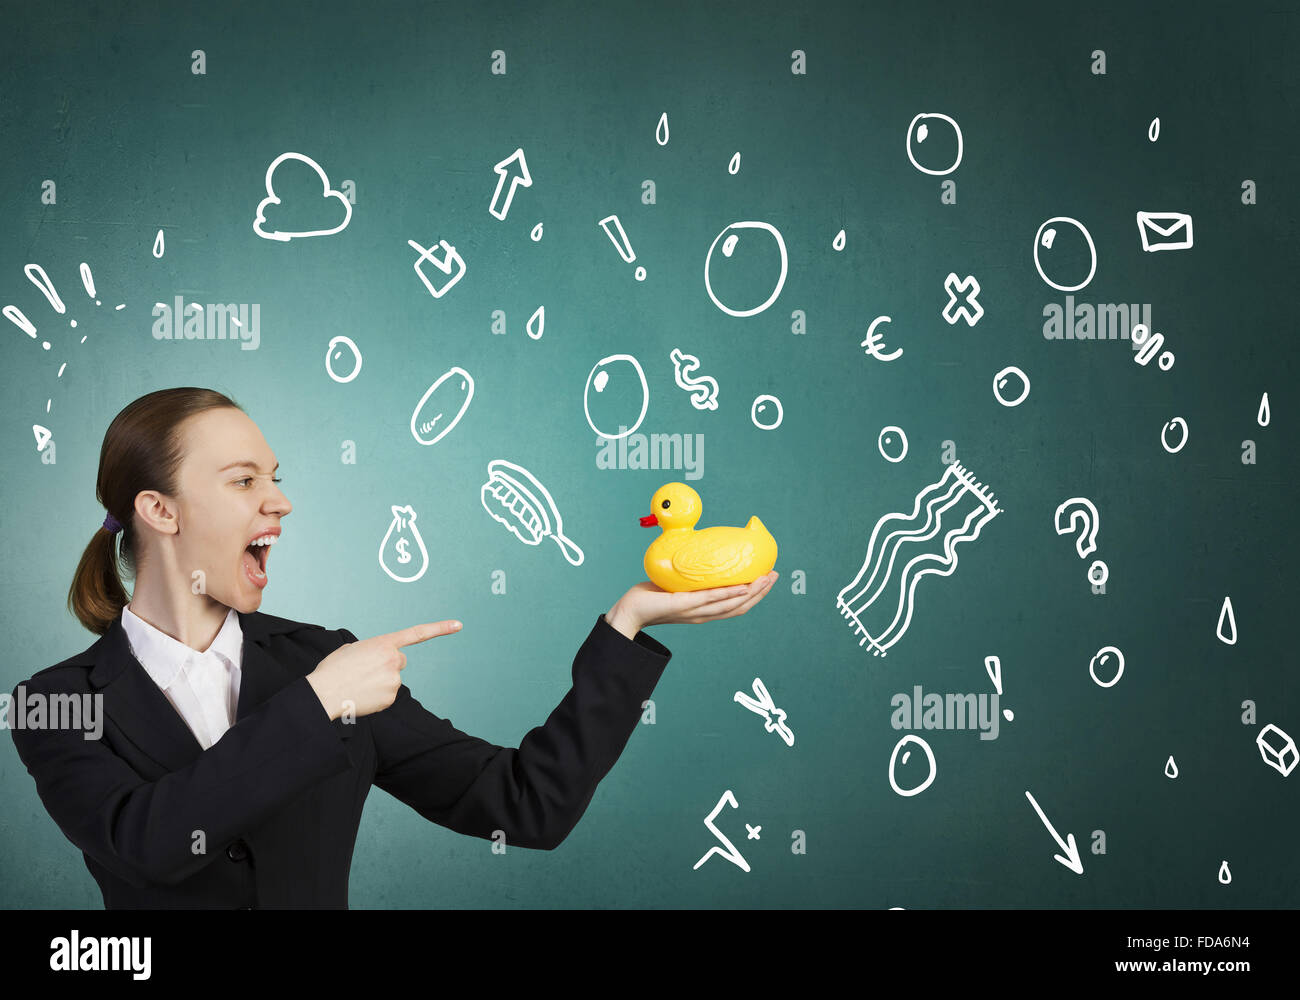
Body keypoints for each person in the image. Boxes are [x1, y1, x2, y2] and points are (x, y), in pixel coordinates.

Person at [10, 387, 776, 908]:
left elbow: (525, 808)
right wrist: (317, 706)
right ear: (159, 510)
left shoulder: (329, 661)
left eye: (275, 478)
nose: (280, 501)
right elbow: (146, 843)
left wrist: (626, 628)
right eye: (244, 481)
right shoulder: (53, 703)